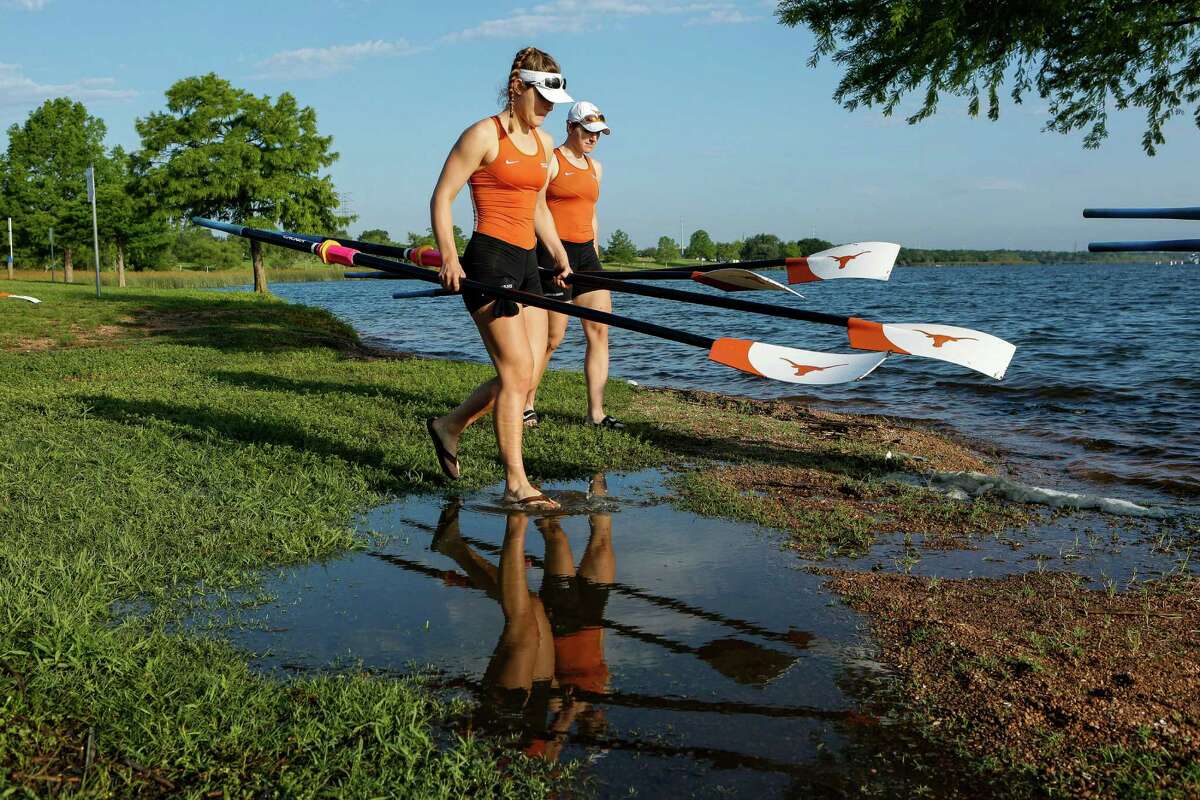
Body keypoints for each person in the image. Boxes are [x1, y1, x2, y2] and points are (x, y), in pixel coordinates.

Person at [425, 47, 574, 510]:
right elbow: (442, 197)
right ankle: (516, 484)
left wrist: (558, 253)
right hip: (489, 259)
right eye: (543, 97)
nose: (549, 107)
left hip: (529, 260)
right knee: (514, 373)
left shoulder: (546, 144)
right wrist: (449, 257)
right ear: (517, 88)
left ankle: (449, 425)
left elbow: (537, 207)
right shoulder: (482, 135)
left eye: (555, 99)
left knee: (525, 375)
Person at [524, 102, 623, 429]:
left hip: (587, 258)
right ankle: (526, 404)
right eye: (588, 132)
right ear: (571, 128)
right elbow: (535, 208)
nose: (594, 139)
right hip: (553, 255)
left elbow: (592, 215)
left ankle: (595, 414)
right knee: (553, 338)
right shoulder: (550, 160)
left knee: (599, 332)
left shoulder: (596, 168)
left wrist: (594, 254)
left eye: (599, 134)